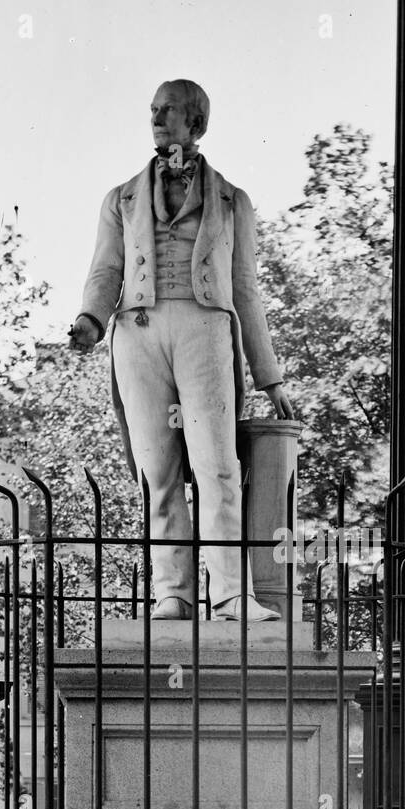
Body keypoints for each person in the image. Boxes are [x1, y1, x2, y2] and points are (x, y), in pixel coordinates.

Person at [70, 79, 293, 621]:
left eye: (167, 111)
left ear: (196, 124)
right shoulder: (120, 198)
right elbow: (107, 270)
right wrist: (89, 320)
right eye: (152, 110)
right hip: (139, 333)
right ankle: (172, 591)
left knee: (216, 465)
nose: (156, 118)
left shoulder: (231, 200)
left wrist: (270, 376)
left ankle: (233, 594)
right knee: (157, 470)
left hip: (206, 329)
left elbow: (246, 288)